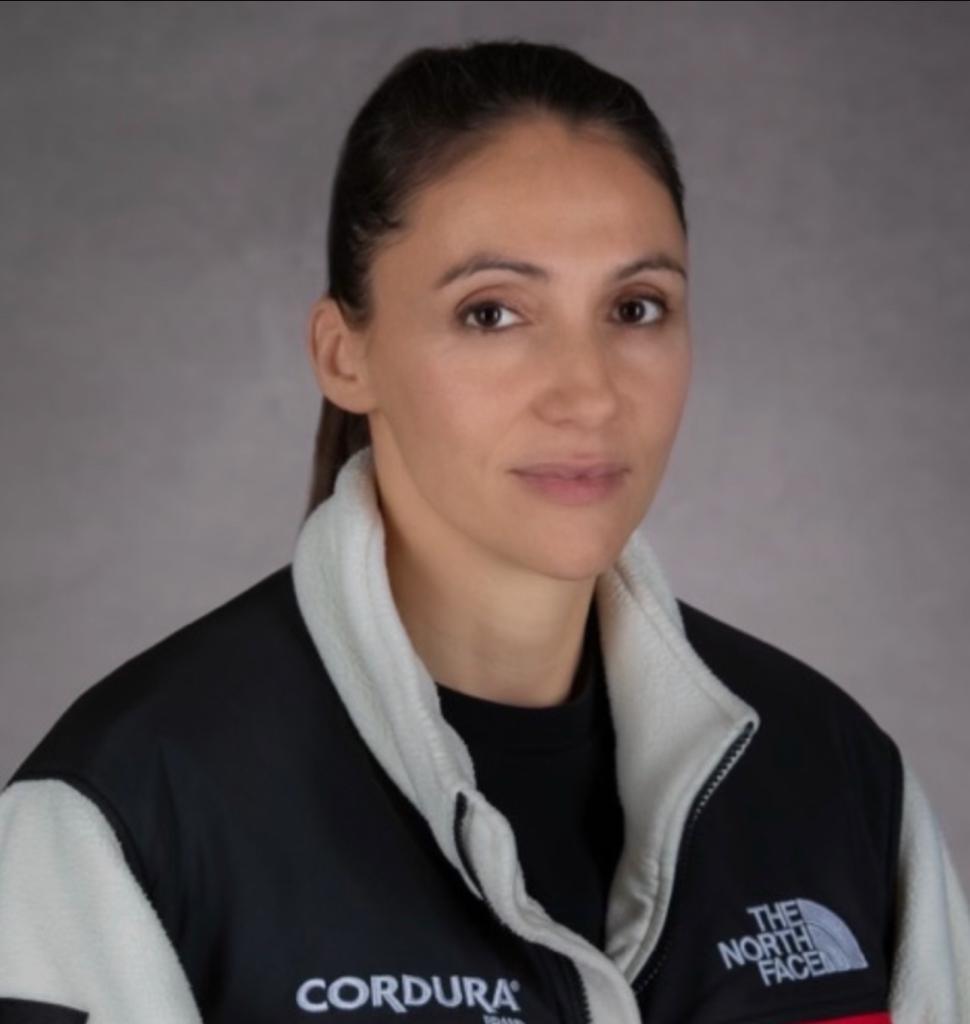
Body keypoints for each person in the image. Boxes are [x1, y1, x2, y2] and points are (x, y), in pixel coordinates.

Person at [0, 37, 967, 1024]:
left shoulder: (841, 782)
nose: (588, 392)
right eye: (492, 313)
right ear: (344, 355)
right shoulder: (121, 821)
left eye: (636, 307)